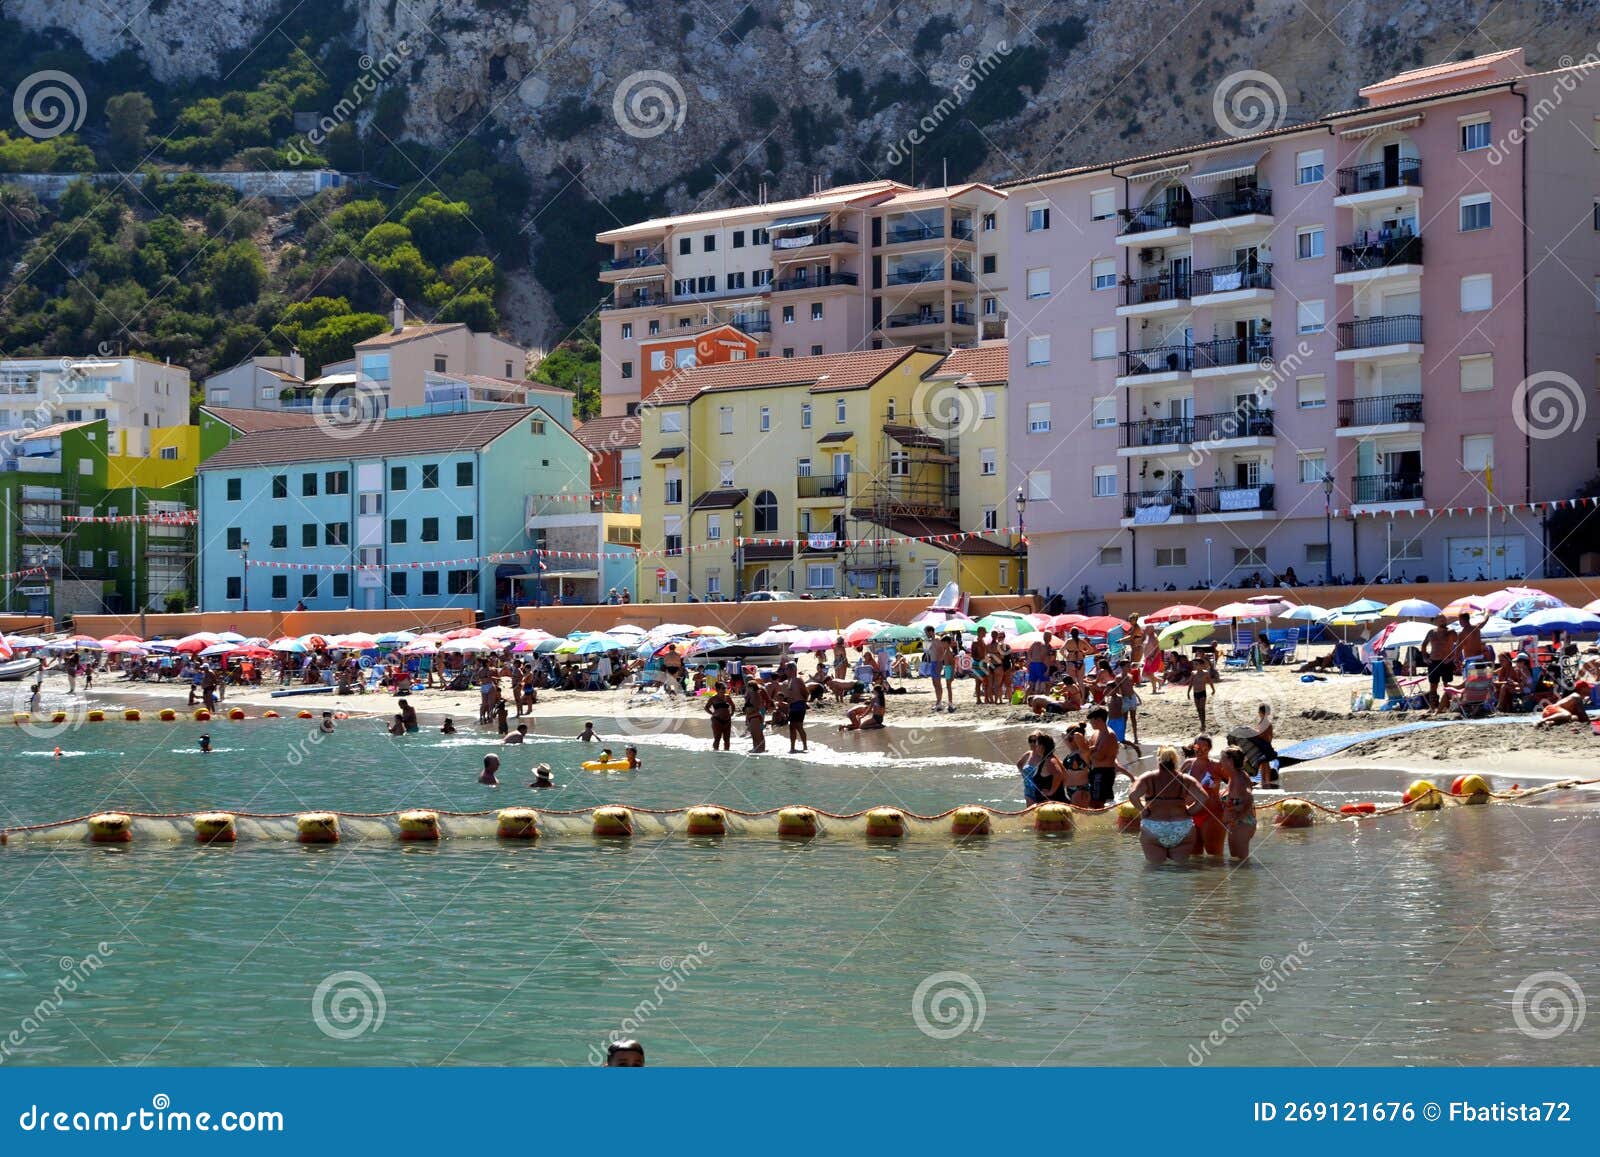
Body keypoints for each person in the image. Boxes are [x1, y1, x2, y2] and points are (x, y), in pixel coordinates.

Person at [1127, 746, 1209, 864]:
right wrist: (1190, 811)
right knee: (1180, 870)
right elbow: (1203, 797)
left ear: (1158, 759)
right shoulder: (1185, 779)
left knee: (1156, 871)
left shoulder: (1148, 778)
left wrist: (1143, 810)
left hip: (1154, 826)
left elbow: (1133, 796)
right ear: (1175, 760)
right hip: (1182, 826)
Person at [1066, 706, 1129, 807]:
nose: (1090, 723)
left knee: (1097, 804)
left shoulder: (1109, 735)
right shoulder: (1096, 733)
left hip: (1104, 773)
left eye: (1091, 720)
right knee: (1091, 803)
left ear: (1098, 719)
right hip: (1094, 772)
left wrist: (1084, 749)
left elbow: (1099, 757)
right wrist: (1085, 747)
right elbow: (1090, 750)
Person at [1183, 735, 1225, 856]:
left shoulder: (1217, 766)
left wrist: (1226, 798)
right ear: (1193, 746)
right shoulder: (1187, 765)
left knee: (1215, 856)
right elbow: (1177, 786)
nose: (1200, 751)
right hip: (1191, 814)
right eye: (1197, 747)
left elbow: (1235, 779)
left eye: (1204, 748)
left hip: (1212, 815)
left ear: (1210, 749)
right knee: (1194, 857)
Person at [1217, 745, 1257, 860]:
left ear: (1230, 761)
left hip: (1241, 824)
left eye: (1222, 758)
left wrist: (1238, 817)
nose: (1220, 761)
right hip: (1237, 824)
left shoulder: (1239, 778)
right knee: (1236, 860)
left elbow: (1249, 797)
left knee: (1241, 862)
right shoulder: (1234, 776)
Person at [1017, 731, 1068, 805]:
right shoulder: (1032, 755)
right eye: (1030, 741)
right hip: (1031, 791)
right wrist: (1025, 776)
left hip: (1050, 801)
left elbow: (1060, 774)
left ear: (1042, 746)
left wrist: (1052, 791)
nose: (1033, 744)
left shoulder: (1050, 759)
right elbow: (1019, 764)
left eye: (1035, 742)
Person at [1422, 616, 1455, 713]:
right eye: (1441, 620)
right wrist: (1425, 658)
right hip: (1433, 662)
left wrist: (1451, 658)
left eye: (1444, 620)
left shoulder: (1451, 632)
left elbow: (1459, 645)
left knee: (1447, 685)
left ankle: (1447, 706)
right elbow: (1424, 645)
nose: (1443, 621)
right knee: (1433, 686)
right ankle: (1432, 707)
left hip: (1446, 662)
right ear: (1436, 621)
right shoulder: (1431, 632)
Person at [923, 627, 951, 712]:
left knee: (938, 683)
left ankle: (939, 702)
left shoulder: (938, 640)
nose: (926, 634)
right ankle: (938, 701)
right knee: (934, 683)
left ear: (931, 631)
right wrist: (926, 642)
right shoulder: (928, 641)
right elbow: (926, 651)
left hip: (937, 663)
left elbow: (942, 651)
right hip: (932, 662)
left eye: (927, 632)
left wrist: (940, 662)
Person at [783, 663, 809, 753]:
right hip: (792, 706)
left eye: (786, 669)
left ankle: (805, 746)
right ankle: (792, 747)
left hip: (799, 704)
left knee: (798, 726)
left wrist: (803, 701)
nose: (785, 671)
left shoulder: (797, 679)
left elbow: (806, 692)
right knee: (792, 727)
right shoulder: (788, 681)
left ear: (792, 670)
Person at [1187, 658, 1216, 730]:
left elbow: (1210, 682)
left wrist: (1213, 690)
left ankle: (1203, 724)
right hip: (1195, 693)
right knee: (1198, 709)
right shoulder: (1193, 673)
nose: (1195, 666)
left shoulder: (1205, 673)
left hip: (1202, 692)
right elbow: (1191, 683)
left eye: (1196, 664)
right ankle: (1201, 722)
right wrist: (1188, 692)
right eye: (1194, 664)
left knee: (1202, 708)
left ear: (1201, 665)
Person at [742, 674, 769, 753]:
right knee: (756, 735)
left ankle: (759, 750)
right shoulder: (753, 694)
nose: (746, 688)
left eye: (747, 686)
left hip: (754, 716)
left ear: (751, 687)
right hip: (752, 716)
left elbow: (756, 707)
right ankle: (758, 749)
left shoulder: (755, 694)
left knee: (756, 736)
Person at [706, 680, 734, 750]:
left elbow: (733, 705)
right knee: (717, 738)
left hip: (727, 720)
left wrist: (732, 713)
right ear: (717, 689)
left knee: (727, 740)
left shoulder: (727, 697)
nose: (724, 690)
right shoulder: (713, 698)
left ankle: (727, 755)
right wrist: (712, 714)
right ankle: (716, 754)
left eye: (725, 688)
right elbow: (706, 707)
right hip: (717, 720)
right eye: (723, 688)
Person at [1026, 631, 1052, 695]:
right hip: (1041, 665)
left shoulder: (1036, 643)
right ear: (1049, 637)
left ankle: (1025, 698)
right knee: (1048, 684)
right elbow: (1046, 659)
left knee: (1031, 684)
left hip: (1033, 664)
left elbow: (1029, 653)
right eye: (1050, 637)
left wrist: (1029, 663)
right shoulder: (1048, 646)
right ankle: (1046, 698)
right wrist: (1048, 669)